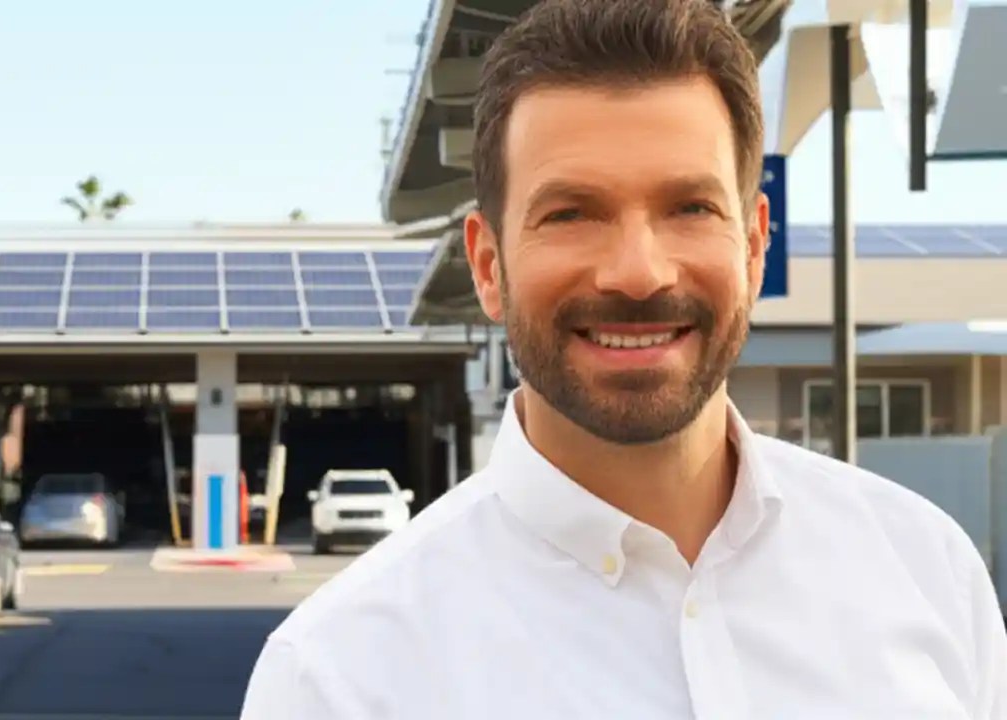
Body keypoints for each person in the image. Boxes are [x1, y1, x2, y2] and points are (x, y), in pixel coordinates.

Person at [241, 1, 1007, 717]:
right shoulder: (339, 677)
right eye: (570, 213)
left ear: (752, 242)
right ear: (486, 266)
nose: (638, 273)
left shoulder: (928, 570)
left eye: (689, 208)